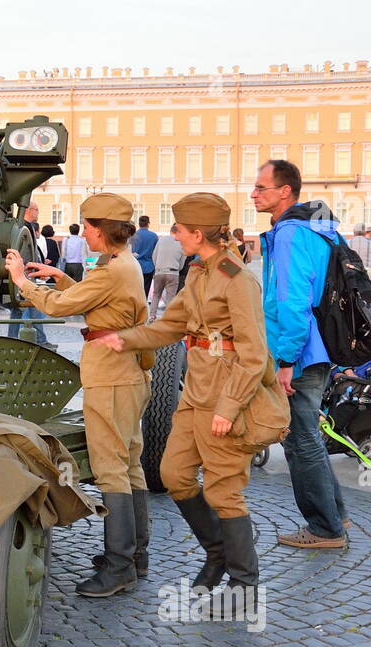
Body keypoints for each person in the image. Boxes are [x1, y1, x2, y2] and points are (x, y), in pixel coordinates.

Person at [94, 193, 282, 610]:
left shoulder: (238, 278)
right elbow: (171, 326)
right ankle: (218, 551)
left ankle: (244, 584)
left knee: (223, 491)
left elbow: (253, 353)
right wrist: (124, 339)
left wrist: (229, 409)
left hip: (226, 396)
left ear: (198, 233)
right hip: (196, 392)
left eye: (178, 229)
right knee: (174, 473)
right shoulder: (199, 271)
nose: (174, 235)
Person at [4, 192, 151, 597]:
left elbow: (58, 308)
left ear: (102, 230)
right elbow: (95, 300)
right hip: (128, 374)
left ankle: (119, 567)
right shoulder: (124, 263)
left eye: (88, 225)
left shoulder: (110, 271)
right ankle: (136, 554)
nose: (83, 231)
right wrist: (61, 277)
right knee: (130, 462)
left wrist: (21, 281)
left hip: (111, 377)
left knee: (110, 468)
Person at [252, 160, 348, 549]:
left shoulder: (290, 233)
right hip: (320, 347)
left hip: (301, 353)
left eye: (261, 187)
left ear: (285, 192)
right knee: (307, 435)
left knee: (299, 439)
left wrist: (287, 361)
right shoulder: (320, 229)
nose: (253, 194)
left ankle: (325, 528)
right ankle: (337, 516)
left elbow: (292, 301)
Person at [5, 203, 57, 349]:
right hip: (25, 274)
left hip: (25, 273)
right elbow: (24, 250)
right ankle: (30, 339)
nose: (38, 212)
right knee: (27, 307)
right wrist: (29, 268)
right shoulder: (24, 226)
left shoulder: (25, 225)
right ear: (28, 210)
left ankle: (16, 340)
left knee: (24, 309)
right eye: (37, 209)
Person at [148, 224, 185, 321]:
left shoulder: (161, 240)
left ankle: (152, 316)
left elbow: (154, 255)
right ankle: (168, 318)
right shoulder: (180, 243)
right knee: (170, 297)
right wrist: (177, 269)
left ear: (170, 231)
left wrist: (158, 267)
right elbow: (182, 260)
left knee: (156, 294)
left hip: (159, 271)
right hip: (173, 272)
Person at [132, 215, 158, 295]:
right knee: (145, 292)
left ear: (139, 224)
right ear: (148, 224)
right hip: (149, 266)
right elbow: (155, 252)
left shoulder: (133, 236)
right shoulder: (153, 236)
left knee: (136, 291)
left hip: (136, 266)